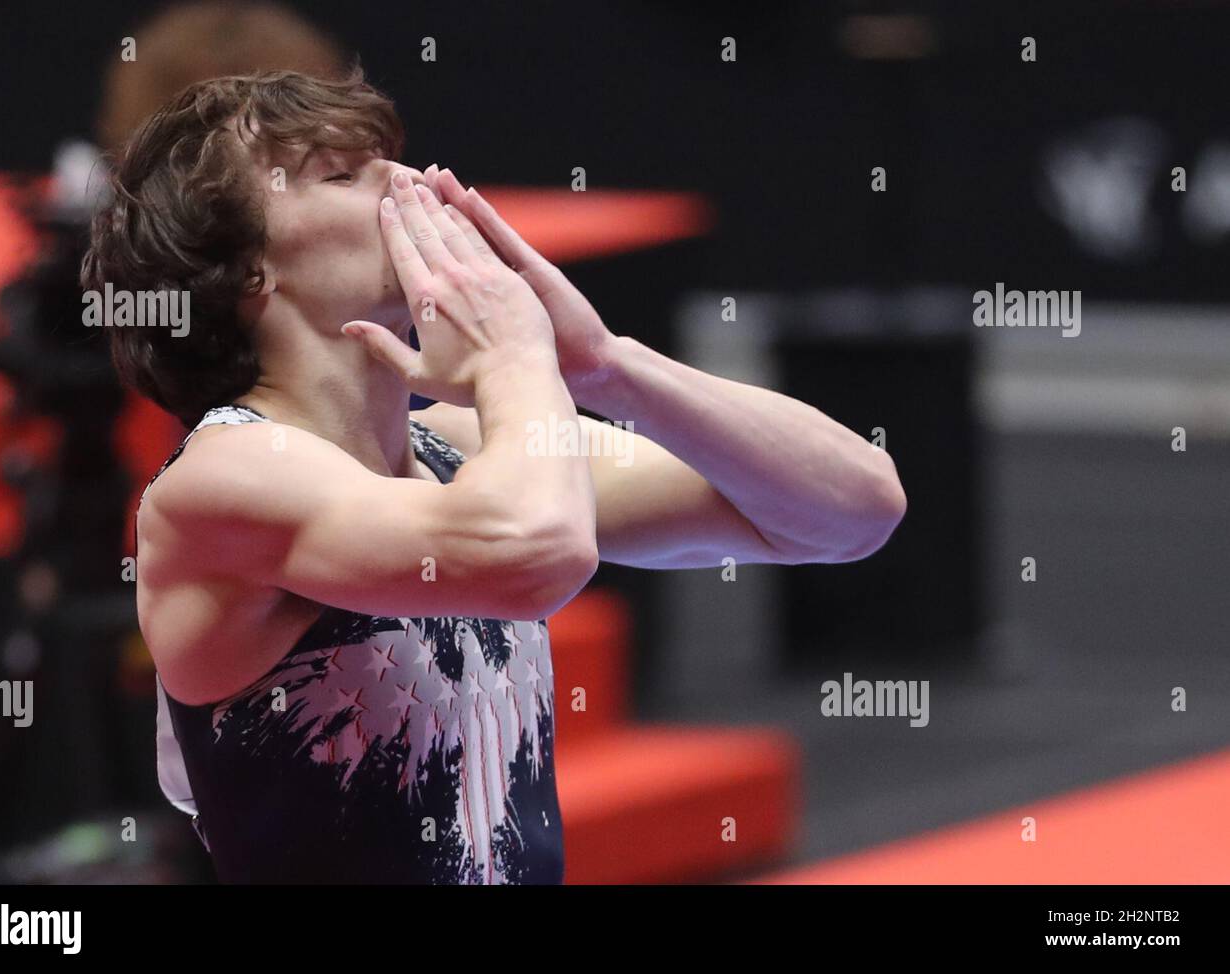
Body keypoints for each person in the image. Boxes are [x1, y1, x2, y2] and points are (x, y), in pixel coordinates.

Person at [80, 67, 907, 884]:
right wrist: (516, 357)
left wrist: (609, 369)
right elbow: (536, 552)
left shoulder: (464, 447)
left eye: (391, 159)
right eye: (340, 175)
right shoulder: (221, 478)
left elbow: (854, 508)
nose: (414, 185)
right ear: (250, 272)